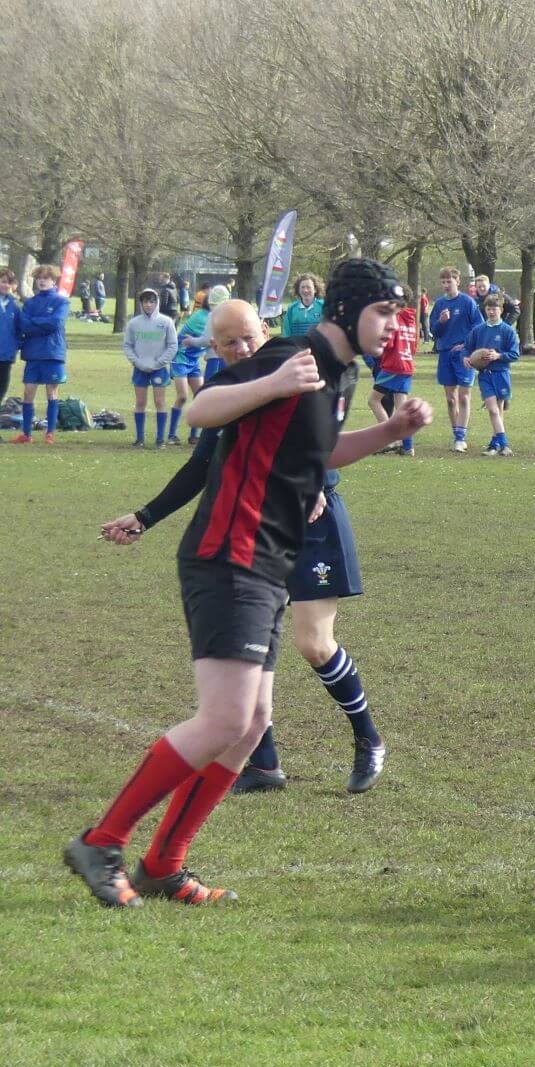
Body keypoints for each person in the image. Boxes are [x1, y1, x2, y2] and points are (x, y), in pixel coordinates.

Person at [64, 261, 428, 909]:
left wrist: (391, 432)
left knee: (252, 719)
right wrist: (274, 381)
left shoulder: (341, 371)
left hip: (268, 559)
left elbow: (320, 453)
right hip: (228, 551)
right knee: (226, 717)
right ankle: (102, 840)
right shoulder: (297, 352)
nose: (392, 327)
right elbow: (203, 410)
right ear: (346, 312)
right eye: (383, 314)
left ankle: (163, 864)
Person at [101, 299, 394, 796]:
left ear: (266, 329)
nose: (242, 349)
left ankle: (369, 740)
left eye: (249, 338)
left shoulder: (303, 369)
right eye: (229, 343)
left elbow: (323, 440)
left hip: (311, 523)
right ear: (213, 347)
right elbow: (202, 465)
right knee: (249, 643)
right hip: (253, 526)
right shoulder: (230, 389)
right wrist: (145, 517)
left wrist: (312, 481)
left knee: (313, 643)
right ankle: (263, 764)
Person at [11, 265, 68, 445]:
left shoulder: (61, 302)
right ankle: (26, 434)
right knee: (28, 392)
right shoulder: (29, 303)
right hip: (33, 354)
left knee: (52, 392)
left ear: (53, 280)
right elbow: (24, 325)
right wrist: (41, 324)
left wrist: (35, 323)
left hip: (52, 353)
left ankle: (49, 433)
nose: (42, 281)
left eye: (46, 278)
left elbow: (56, 323)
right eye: (39, 278)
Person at [430, 267, 482, 451]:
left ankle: (461, 438)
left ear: (457, 281)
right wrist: (441, 322)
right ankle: (456, 434)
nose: (445, 285)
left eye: (449, 281)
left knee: (464, 396)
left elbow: (479, 327)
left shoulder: (467, 302)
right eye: (443, 282)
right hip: (445, 354)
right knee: (451, 399)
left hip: (464, 356)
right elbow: (434, 332)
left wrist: (467, 345)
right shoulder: (438, 305)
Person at [121, 288, 178, 447]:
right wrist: (138, 363)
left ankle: (160, 439)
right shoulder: (134, 323)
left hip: (159, 368)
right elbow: (127, 346)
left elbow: (173, 346)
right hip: (140, 369)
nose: (148, 305)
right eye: (145, 301)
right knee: (140, 402)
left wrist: (159, 363)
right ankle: (140, 439)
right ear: (141, 303)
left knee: (160, 402)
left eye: (152, 301)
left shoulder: (166, 322)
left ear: (157, 302)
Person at [466, 293, 520, 456]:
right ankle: (504, 444)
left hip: (502, 374)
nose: (491, 312)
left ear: (501, 310)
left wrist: (499, 356)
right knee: (493, 409)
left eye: (494, 309)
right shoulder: (479, 330)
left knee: (499, 410)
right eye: (488, 309)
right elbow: (467, 348)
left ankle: (494, 444)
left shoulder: (507, 331)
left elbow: (515, 354)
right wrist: (467, 358)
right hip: (485, 375)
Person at [369, 307, 418, 455]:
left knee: (373, 400)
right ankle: (408, 447)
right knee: (402, 408)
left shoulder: (394, 318)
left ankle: (389, 441)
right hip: (407, 365)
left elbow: (388, 343)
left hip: (393, 366)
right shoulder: (411, 320)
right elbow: (414, 347)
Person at [281, 274, 326, 339]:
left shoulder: (323, 306)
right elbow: (286, 333)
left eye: (308, 287)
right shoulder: (292, 309)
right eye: (302, 287)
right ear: (298, 290)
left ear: (315, 289)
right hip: (297, 348)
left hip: (318, 347)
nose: (305, 290)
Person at [0, 269, 19, 406]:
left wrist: (16, 345)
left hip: (6, 354)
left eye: (9, 283)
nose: (6, 285)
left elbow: (20, 328)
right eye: (3, 282)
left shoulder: (15, 306)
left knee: (2, 385)